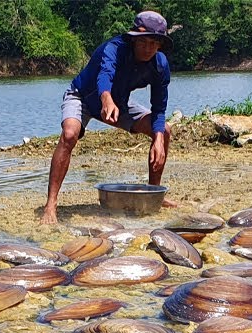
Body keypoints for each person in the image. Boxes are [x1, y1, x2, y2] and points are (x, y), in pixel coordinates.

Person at [41, 11, 174, 224]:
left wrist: (158, 138)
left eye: (154, 43)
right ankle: (51, 205)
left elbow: (159, 107)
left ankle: (154, 195)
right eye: (144, 42)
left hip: (118, 105)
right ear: (133, 38)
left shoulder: (160, 65)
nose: (148, 48)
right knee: (69, 134)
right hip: (83, 96)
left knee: (164, 130)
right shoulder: (114, 48)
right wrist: (106, 99)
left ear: (160, 45)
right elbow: (105, 76)